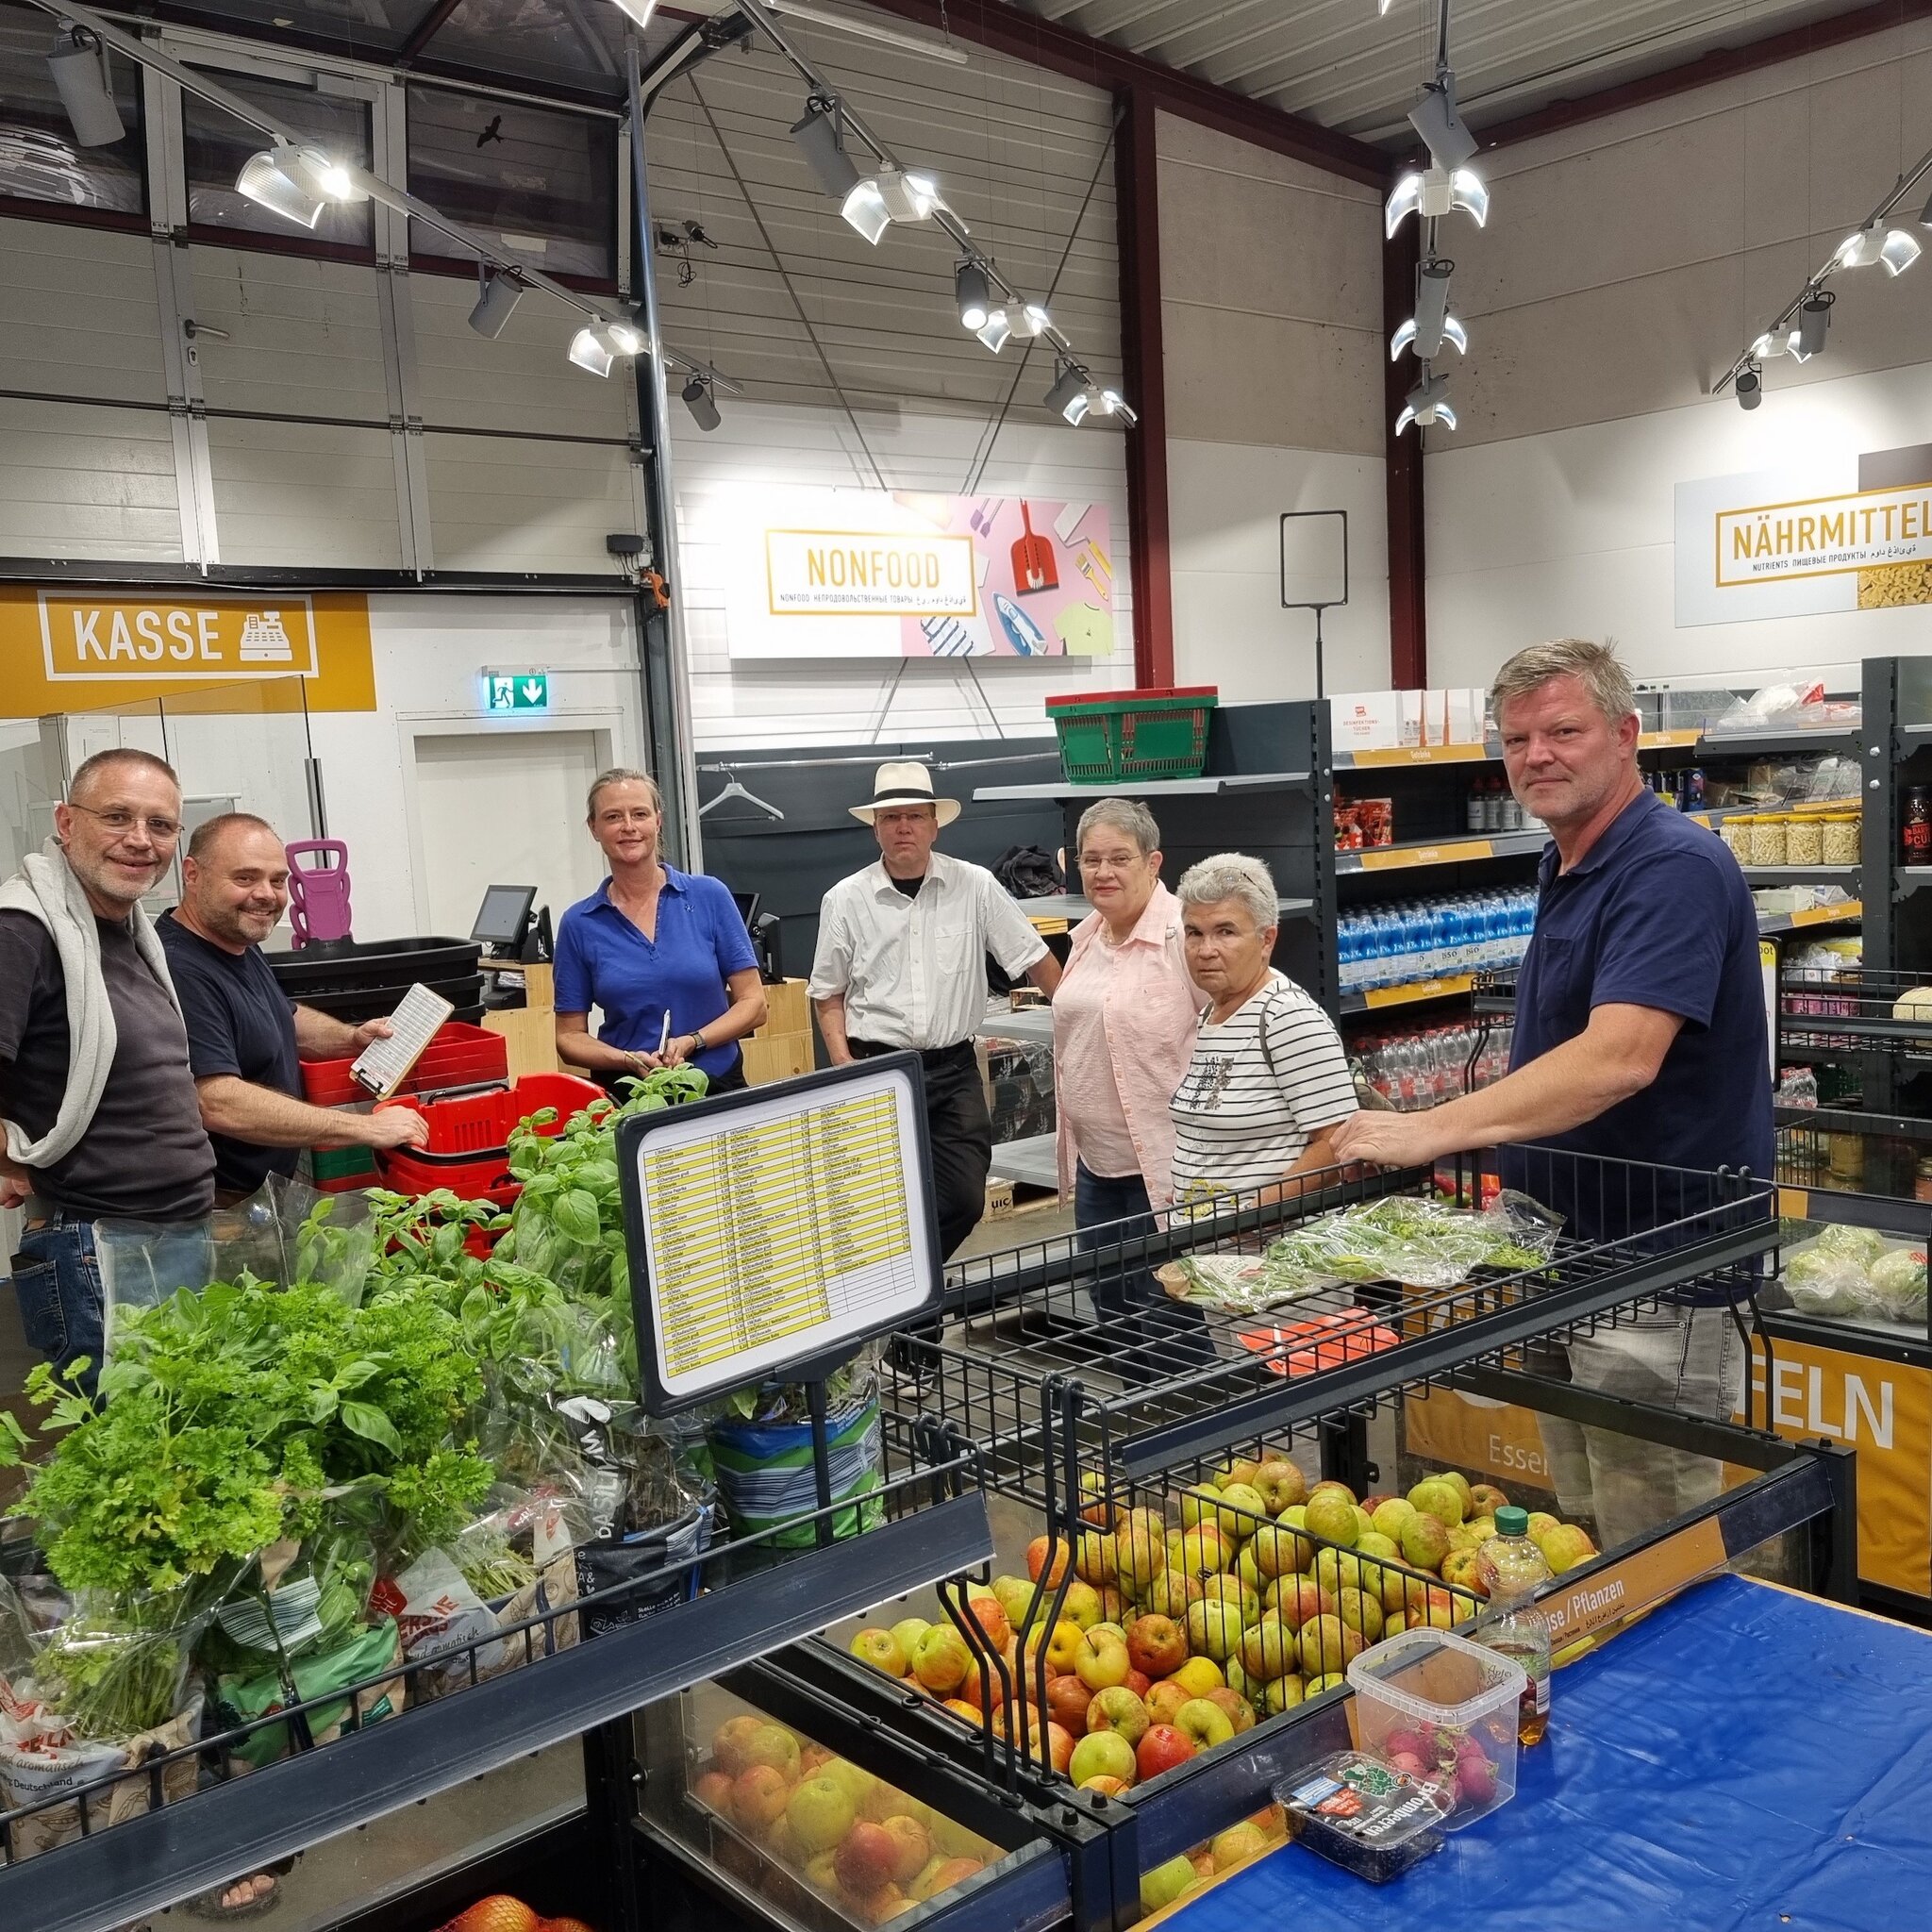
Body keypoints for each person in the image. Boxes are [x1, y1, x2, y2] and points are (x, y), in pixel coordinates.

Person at [1332, 638, 1774, 1551]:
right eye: (1516, 738)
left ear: (1623, 735)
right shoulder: (1569, 860)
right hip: (1562, 1245)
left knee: (1654, 1528)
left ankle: (1669, 1693)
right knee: (1585, 1521)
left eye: (1562, 730)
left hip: (1654, 1259)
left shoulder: (1668, 866)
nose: (1536, 754)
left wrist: (1431, 1129)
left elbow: (1617, 1057)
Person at [0, 749, 217, 1385]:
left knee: (177, 1450)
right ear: (66, 822)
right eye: (117, 816)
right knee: (137, 1452)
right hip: (100, 1249)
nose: (140, 841)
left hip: (164, 1237)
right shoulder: (24, 929)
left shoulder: (123, 930)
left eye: (160, 825)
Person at [809, 762, 1062, 1259]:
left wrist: (1080, 1025)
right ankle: (914, 1325)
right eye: (892, 817)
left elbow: (1035, 958)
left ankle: (906, 1294)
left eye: (915, 816)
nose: (904, 827)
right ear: (876, 826)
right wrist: (843, 1064)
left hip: (953, 1070)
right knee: (884, 1206)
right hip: (875, 1067)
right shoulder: (845, 899)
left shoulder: (976, 885)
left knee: (964, 1200)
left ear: (934, 824)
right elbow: (828, 992)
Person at [158, 813, 430, 1207]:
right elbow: (217, 1101)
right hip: (217, 1209)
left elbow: (283, 1016)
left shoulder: (235, 942)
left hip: (261, 1193)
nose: (267, 894)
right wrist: (366, 1128)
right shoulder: (181, 967)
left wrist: (351, 1038)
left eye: (278, 880)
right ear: (193, 874)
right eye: (245, 878)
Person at [1052, 798, 1209, 1347]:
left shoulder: (1181, 938)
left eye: (1120, 858)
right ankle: (1140, 1428)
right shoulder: (1087, 937)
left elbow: (1225, 1030)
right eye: (1091, 859)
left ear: (1153, 862)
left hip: (1162, 1167)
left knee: (1168, 1313)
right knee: (1113, 1308)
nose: (1103, 871)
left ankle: (1195, 1427)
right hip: (1099, 1164)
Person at [555, 769, 768, 1095]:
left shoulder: (709, 896)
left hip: (715, 1084)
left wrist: (694, 1041)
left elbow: (754, 1004)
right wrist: (626, 1059)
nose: (628, 827)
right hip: (629, 1094)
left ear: (657, 820)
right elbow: (569, 1038)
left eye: (639, 813)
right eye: (613, 817)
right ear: (594, 828)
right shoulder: (579, 923)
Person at [1170, 854, 1358, 1206]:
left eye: (1225, 932)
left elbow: (1338, 1143)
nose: (1205, 950)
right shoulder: (1213, 1013)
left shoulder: (1287, 1018)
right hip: (1212, 1250)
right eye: (1194, 933)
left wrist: (1256, 1212)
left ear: (1266, 940)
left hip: (1268, 1252)